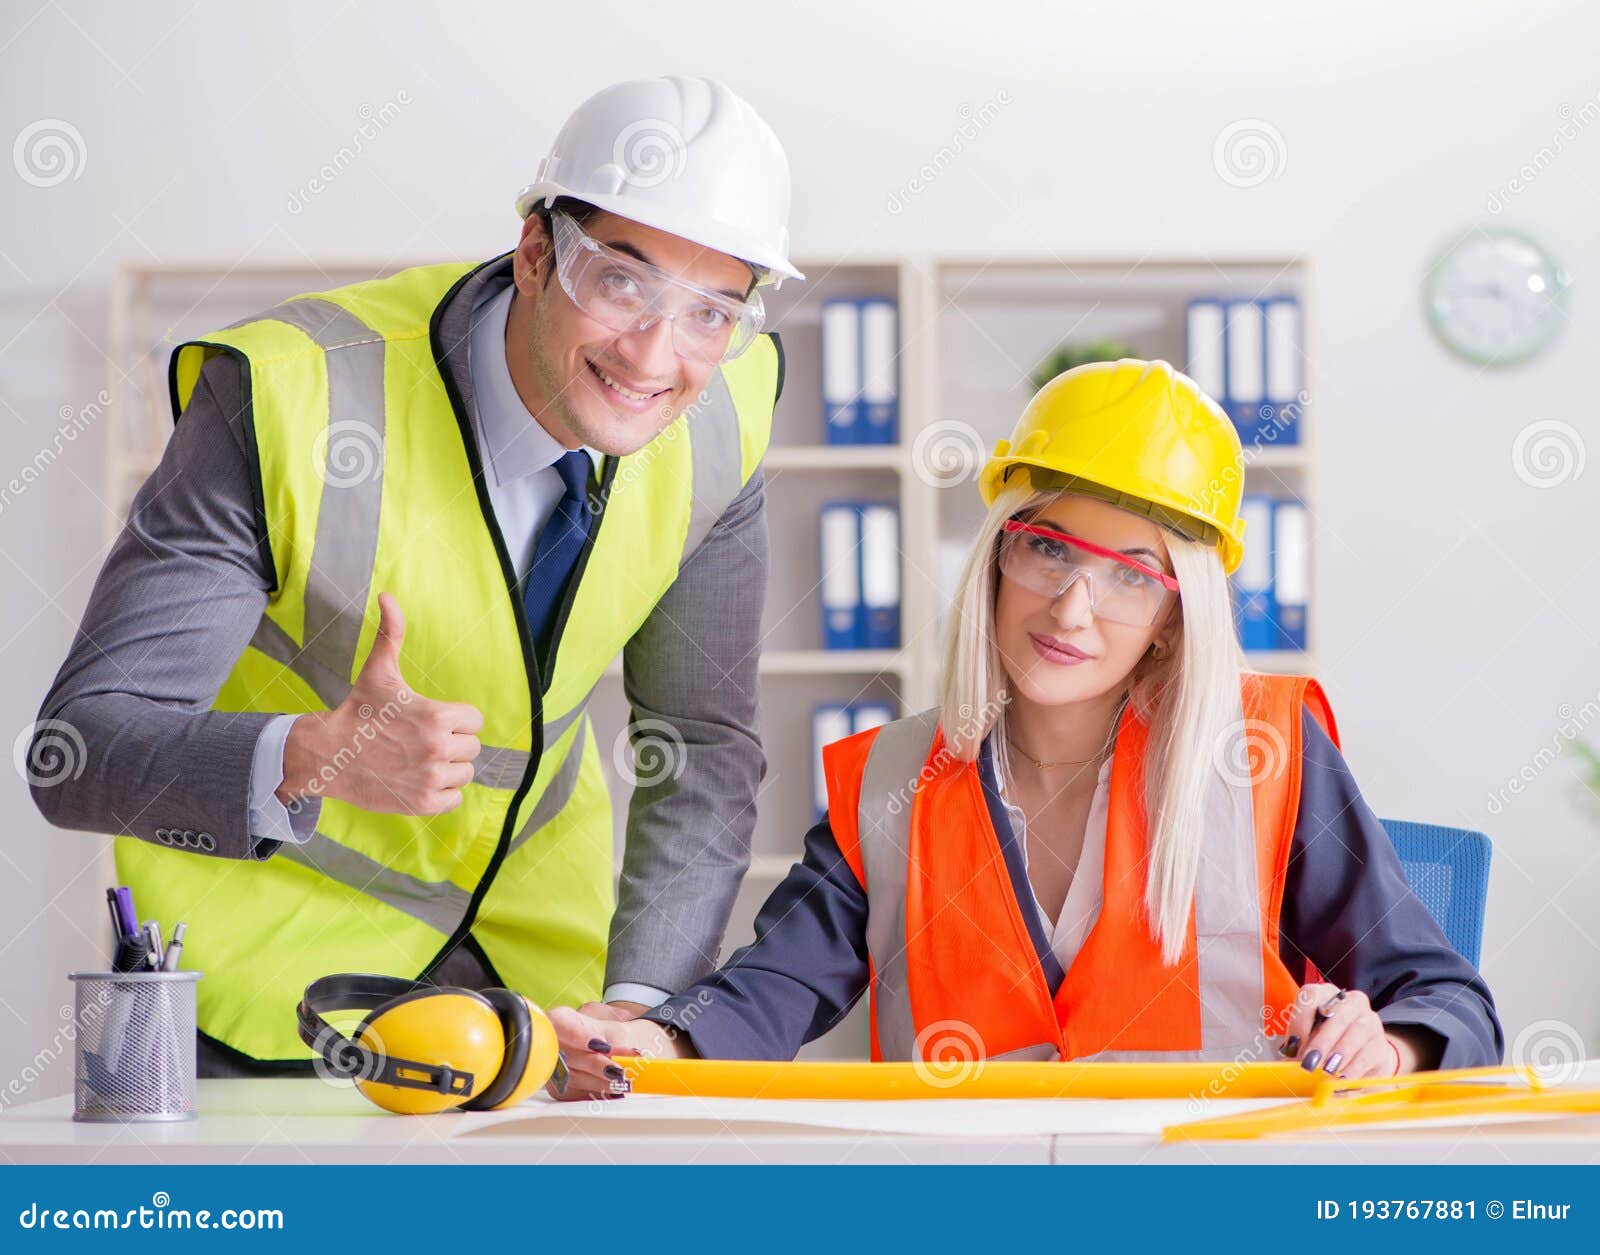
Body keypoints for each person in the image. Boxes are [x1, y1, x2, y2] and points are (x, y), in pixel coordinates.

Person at [29, 76, 802, 1074]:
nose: (658, 352)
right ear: (536, 255)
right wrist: (307, 757)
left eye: (710, 310)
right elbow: (78, 747)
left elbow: (697, 741)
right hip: (275, 988)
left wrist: (639, 1006)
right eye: (621, 282)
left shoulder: (722, 409)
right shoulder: (288, 396)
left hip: (542, 997)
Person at [547, 359, 1503, 1099]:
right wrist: (661, 1036)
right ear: (999, 555)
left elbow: (1452, 1004)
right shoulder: (895, 779)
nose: (1073, 608)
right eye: (1048, 548)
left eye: (1134, 572)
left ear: (1180, 610)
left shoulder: (1264, 756)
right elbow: (776, 984)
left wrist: (1389, 1041)